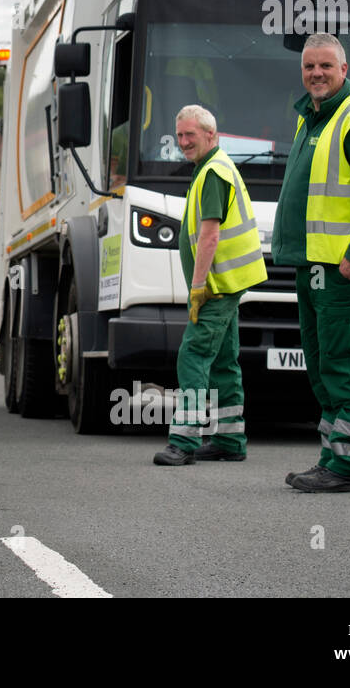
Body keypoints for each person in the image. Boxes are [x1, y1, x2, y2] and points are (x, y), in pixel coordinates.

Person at [274, 32, 350, 492]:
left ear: (344, 70)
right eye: (309, 66)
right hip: (311, 267)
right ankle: (333, 459)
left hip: (338, 271)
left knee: (344, 364)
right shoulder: (312, 119)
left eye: (326, 66)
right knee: (323, 364)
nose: (316, 74)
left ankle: (348, 469)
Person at [154, 105, 266, 466]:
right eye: (181, 135)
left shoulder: (213, 172)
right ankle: (230, 440)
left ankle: (183, 442)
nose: (184, 142)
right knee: (222, 360)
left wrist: (198, 287)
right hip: (228, 280)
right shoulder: (212, 168)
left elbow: (209, 235)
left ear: (211, 135)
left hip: (217, 285)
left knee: (194, 355)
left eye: (191, 135)